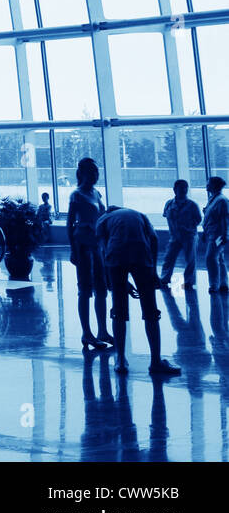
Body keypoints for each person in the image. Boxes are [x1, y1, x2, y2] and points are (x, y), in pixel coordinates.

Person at [97, 204, 180, 376]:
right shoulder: (139, 214)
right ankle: (156, 362)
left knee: (118, 310)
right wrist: (153, 271)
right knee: (150, 311)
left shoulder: (103, 219)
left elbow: (104, 249)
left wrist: (116, 280)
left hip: (116, 256)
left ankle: (120, 360)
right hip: (142, 255)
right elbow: (154, 239)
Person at [68, 158, 112, 350]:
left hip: (97, 245)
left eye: (97, 172)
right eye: (92, 172)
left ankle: (102, 330)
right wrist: (73, 250)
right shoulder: (77, 195)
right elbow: (70, 224)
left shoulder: (97, 193)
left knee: (101, 289)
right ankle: (87, 332)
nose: (96, 175)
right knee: (85, 289)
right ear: (83, 173)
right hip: (84, 245)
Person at [159, 179, 201, 289]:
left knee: (190, 259)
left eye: (185, 188)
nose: (183, 190)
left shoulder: (192, 205)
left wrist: (187, 227)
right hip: (175, 236)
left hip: (189, 236)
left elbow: (198, 219)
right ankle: (164, 278)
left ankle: (189, 281)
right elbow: (166, 215)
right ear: (174, 190)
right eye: (181, 188)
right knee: (169, 258)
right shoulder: (169, 204)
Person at [204, 177, 228, 293]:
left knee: (210, 258)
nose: (206, 186)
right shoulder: (213, 199)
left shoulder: (222, 201)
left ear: (214, 185)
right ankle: (223, 283)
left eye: (208, 184)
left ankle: (214, 284)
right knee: (219, 258)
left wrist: (224, 235)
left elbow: (224, 219)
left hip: (217, 234)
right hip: (212, 233)